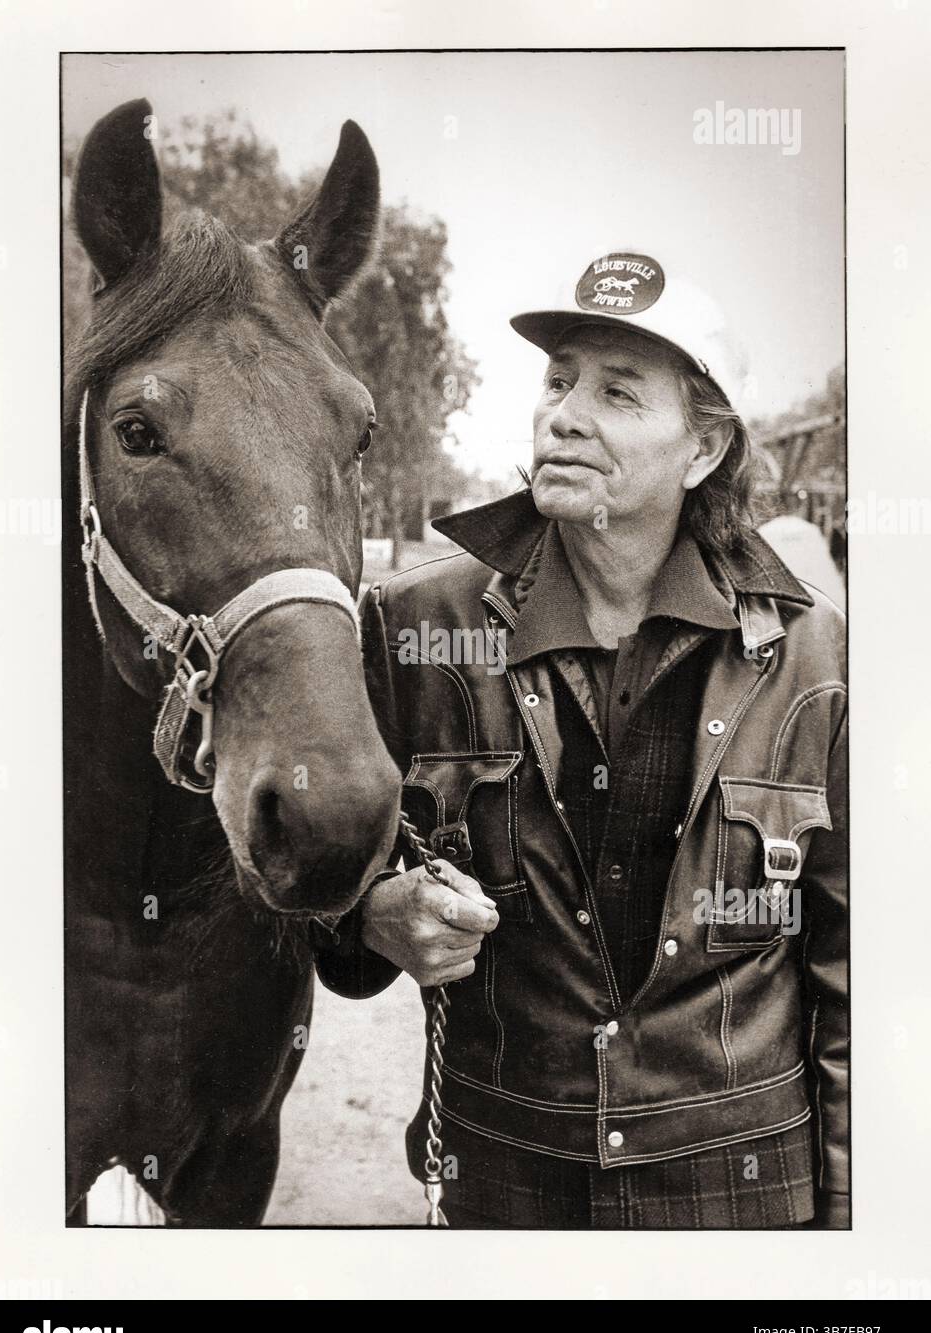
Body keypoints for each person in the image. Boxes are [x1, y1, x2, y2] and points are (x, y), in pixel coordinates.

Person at [311, 249, 848, 1230]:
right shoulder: (411, 628)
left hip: (742, 1201)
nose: (562, 412)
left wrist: (852, 1235)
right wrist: (369, 912)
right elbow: (317, 871)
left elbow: (853, 974)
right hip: (505, 1185)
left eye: (616, 392)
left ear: (702, 452)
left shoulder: (809, 650)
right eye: (557, 381)